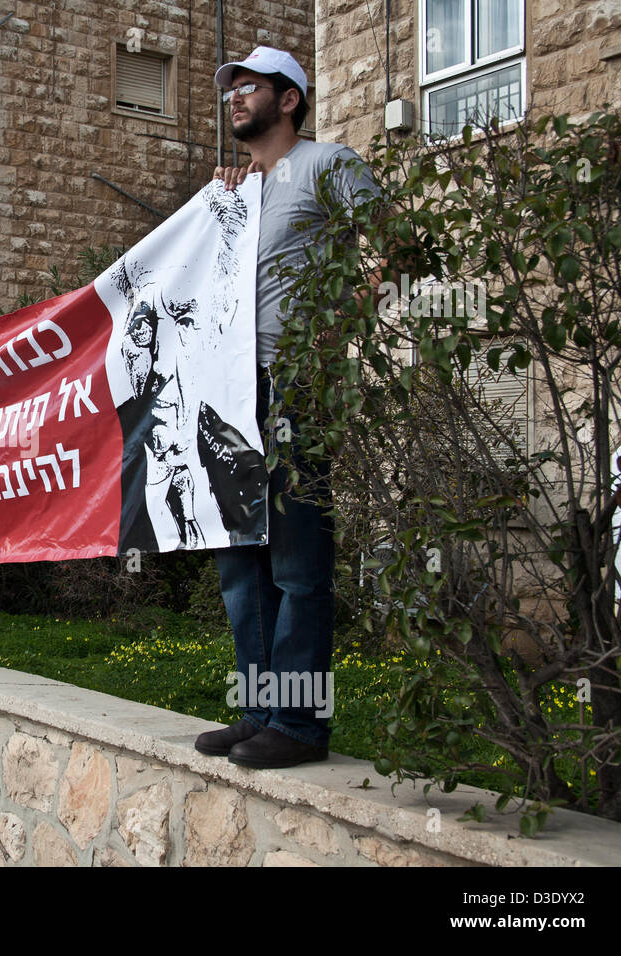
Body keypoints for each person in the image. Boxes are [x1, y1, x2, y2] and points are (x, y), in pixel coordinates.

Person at [193, 47, 380, 769]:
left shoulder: (329, 165)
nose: (234, 98)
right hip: (231, 394)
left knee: (298, 563)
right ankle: (260, 712)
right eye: (230, 90)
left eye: (249, 87)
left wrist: (340, 326)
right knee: (241, 566)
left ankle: (300, 725)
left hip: (295, 384)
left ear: (290, 99)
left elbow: (397, 244)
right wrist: (219, 208)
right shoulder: (237, 189)